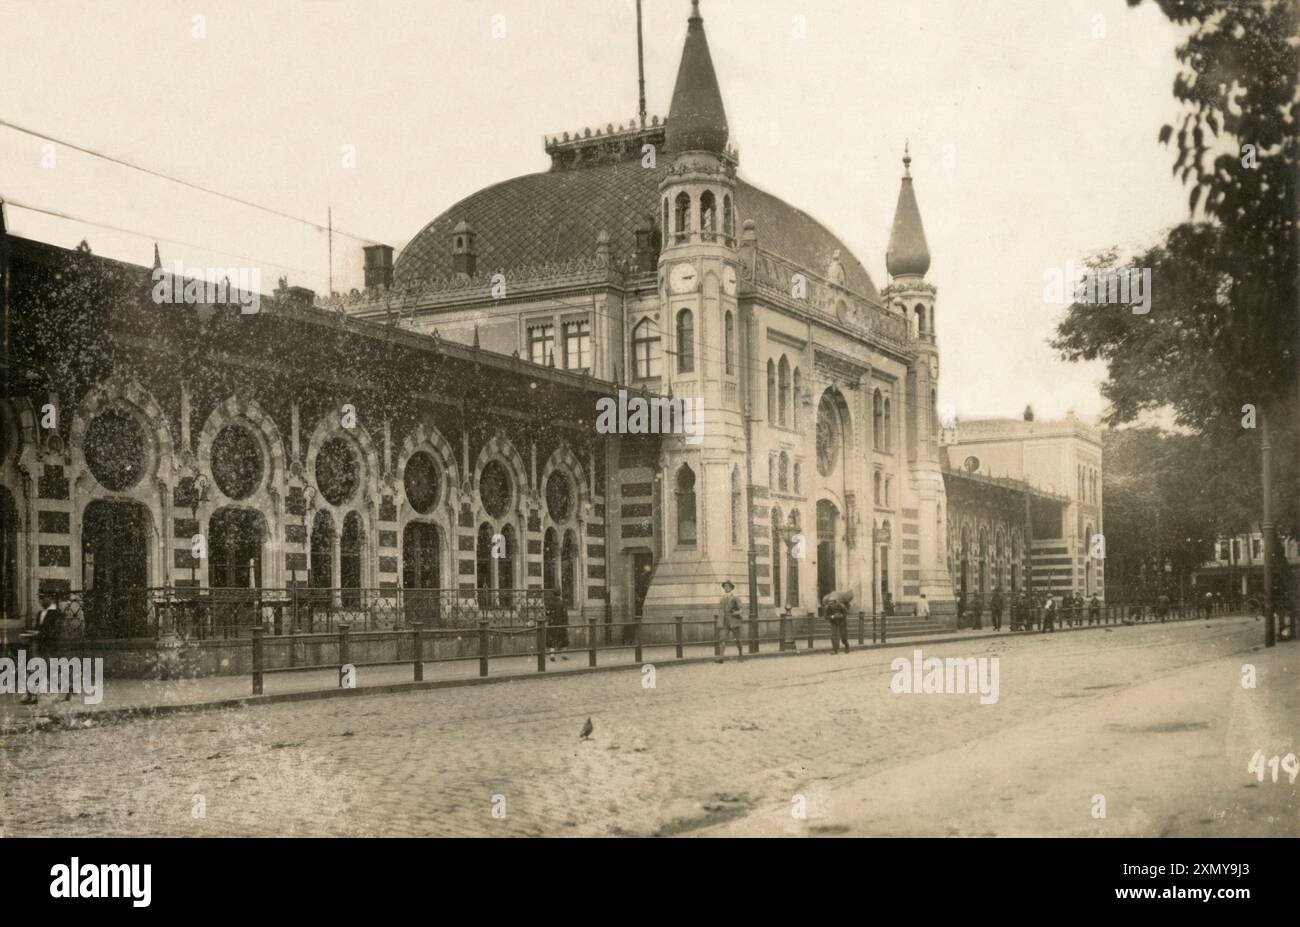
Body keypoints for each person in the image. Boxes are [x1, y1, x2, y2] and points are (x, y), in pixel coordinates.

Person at [21, 594, 70, 705]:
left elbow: (55, 632)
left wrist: (39, 633)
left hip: (52, 647)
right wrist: (31, 633)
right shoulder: (40, 614)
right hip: (40, 646)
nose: (41, 601)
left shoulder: (58, 614)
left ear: (51, 599)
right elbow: (38, 629)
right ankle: (33, 696)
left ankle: (64, 692)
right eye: (40, 598)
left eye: (43, 598)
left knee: (51, 671)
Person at [715, 580, 745, 663]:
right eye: (725, 586)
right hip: (724, 622)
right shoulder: (722, 598)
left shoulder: (735, 598)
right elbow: (721, 610)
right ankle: (721, 658)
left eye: (728, 586)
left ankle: (741, 655)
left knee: (738, 639)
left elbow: (741, 609)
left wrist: (735, 612)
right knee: (722, 639)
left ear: (731, 588)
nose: (726, 588)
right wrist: (719, 621)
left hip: (734, 621)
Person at [822, 590, 852, 654]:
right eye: (830, 603)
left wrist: (841, 615)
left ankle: (847, 646)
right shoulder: (827, 607)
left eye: (832, 603)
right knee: (834, 636)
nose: (831, 604)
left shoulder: (841, 606)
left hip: (842, 622)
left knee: (843, 637)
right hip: (834, 622)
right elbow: (826, 616)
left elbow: (846, 613)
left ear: (836, 602)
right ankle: (835, 650)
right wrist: (832, 616)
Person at [544, 588, 569, 661]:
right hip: (561, 624)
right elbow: (565, 614)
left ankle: (552, 655)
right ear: (560, 594)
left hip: (552, 623)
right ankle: (563, 654)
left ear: (553, 594)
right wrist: (566, 623)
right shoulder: (562, 603)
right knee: (563, 639)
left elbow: (547, 613)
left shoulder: (550, 603)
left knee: (552, 639)